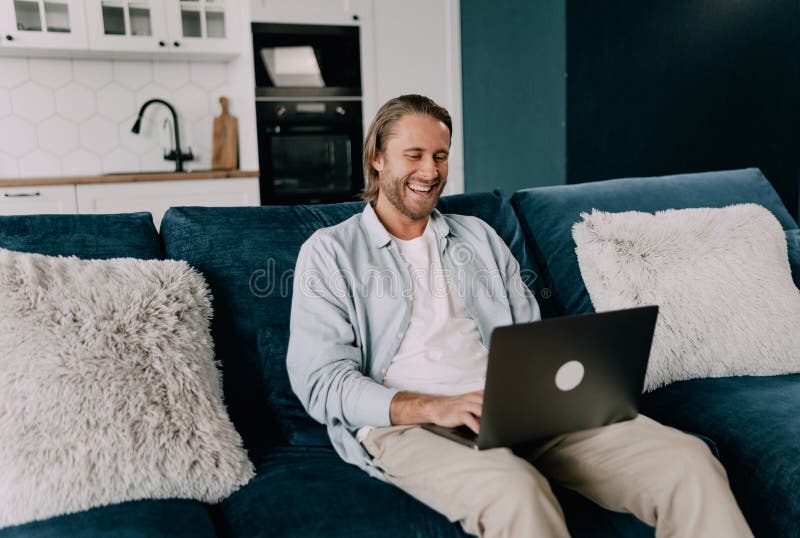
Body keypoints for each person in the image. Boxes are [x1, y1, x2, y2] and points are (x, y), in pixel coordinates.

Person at [287, 94, 752, 537]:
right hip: (411, 427)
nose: (430, 171)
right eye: (414, 155)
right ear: (378, 158)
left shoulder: (479, 237)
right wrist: (435, 405)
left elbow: (528, 339)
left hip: (517, 408)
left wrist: (558, 386)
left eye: (441, 156)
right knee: (517, 492)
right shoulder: (330, 253)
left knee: (688, 463)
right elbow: (322, 382)